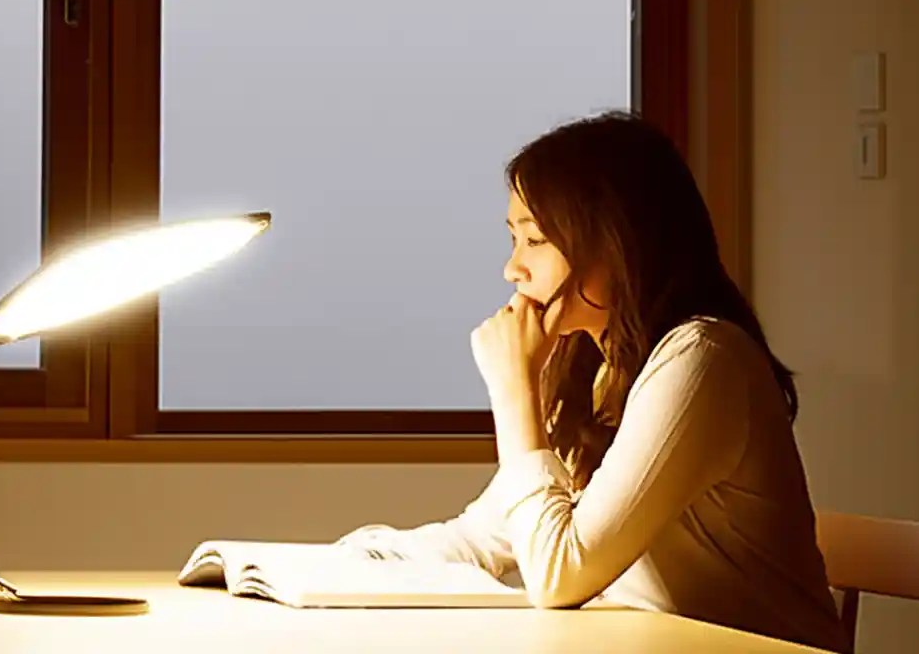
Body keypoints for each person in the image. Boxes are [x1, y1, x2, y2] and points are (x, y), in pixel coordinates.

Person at [335, 111, 846, 653]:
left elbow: (560, 575)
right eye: (513, 238)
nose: (512, 269)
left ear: (615, 242)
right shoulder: (593, 368)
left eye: (534, 240)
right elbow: (487, 537)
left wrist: (514, 392)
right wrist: (346, 559)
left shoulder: (702, 359)